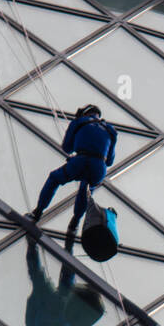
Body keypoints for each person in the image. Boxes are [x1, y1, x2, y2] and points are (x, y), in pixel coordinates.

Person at [27, 103, 117, 251]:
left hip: (81, 161)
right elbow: (111, 161)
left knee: (54, 179)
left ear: (84, 114)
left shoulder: (79, 122)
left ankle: (37, 213)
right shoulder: (111, 131)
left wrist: (80, 145)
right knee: (85, 189)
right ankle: (74, 225)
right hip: (99, 168)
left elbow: (67, 147)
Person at [24, 240, 105, 326]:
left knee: (42, 282)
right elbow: (68, 274)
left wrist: (32, 246)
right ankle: (34, 245)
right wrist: (69, 247)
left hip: (37, 321)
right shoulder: (68, 303)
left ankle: (32, 244)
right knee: (63, 282)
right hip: (54, 319)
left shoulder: (56, 303)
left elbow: (36, 274)